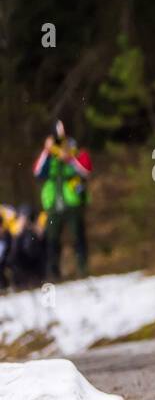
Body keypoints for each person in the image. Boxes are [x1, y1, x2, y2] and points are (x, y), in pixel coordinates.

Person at [33, 119, 92, 280]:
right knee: (52, 240)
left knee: (78, 237)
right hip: (53, 203)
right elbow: (37, 172)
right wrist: (47, 150)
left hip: (72, 201)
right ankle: (53, 273)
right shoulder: (48, 154)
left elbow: (86, 169)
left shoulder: (74, 149)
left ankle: (82, 269)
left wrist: (69, 157)